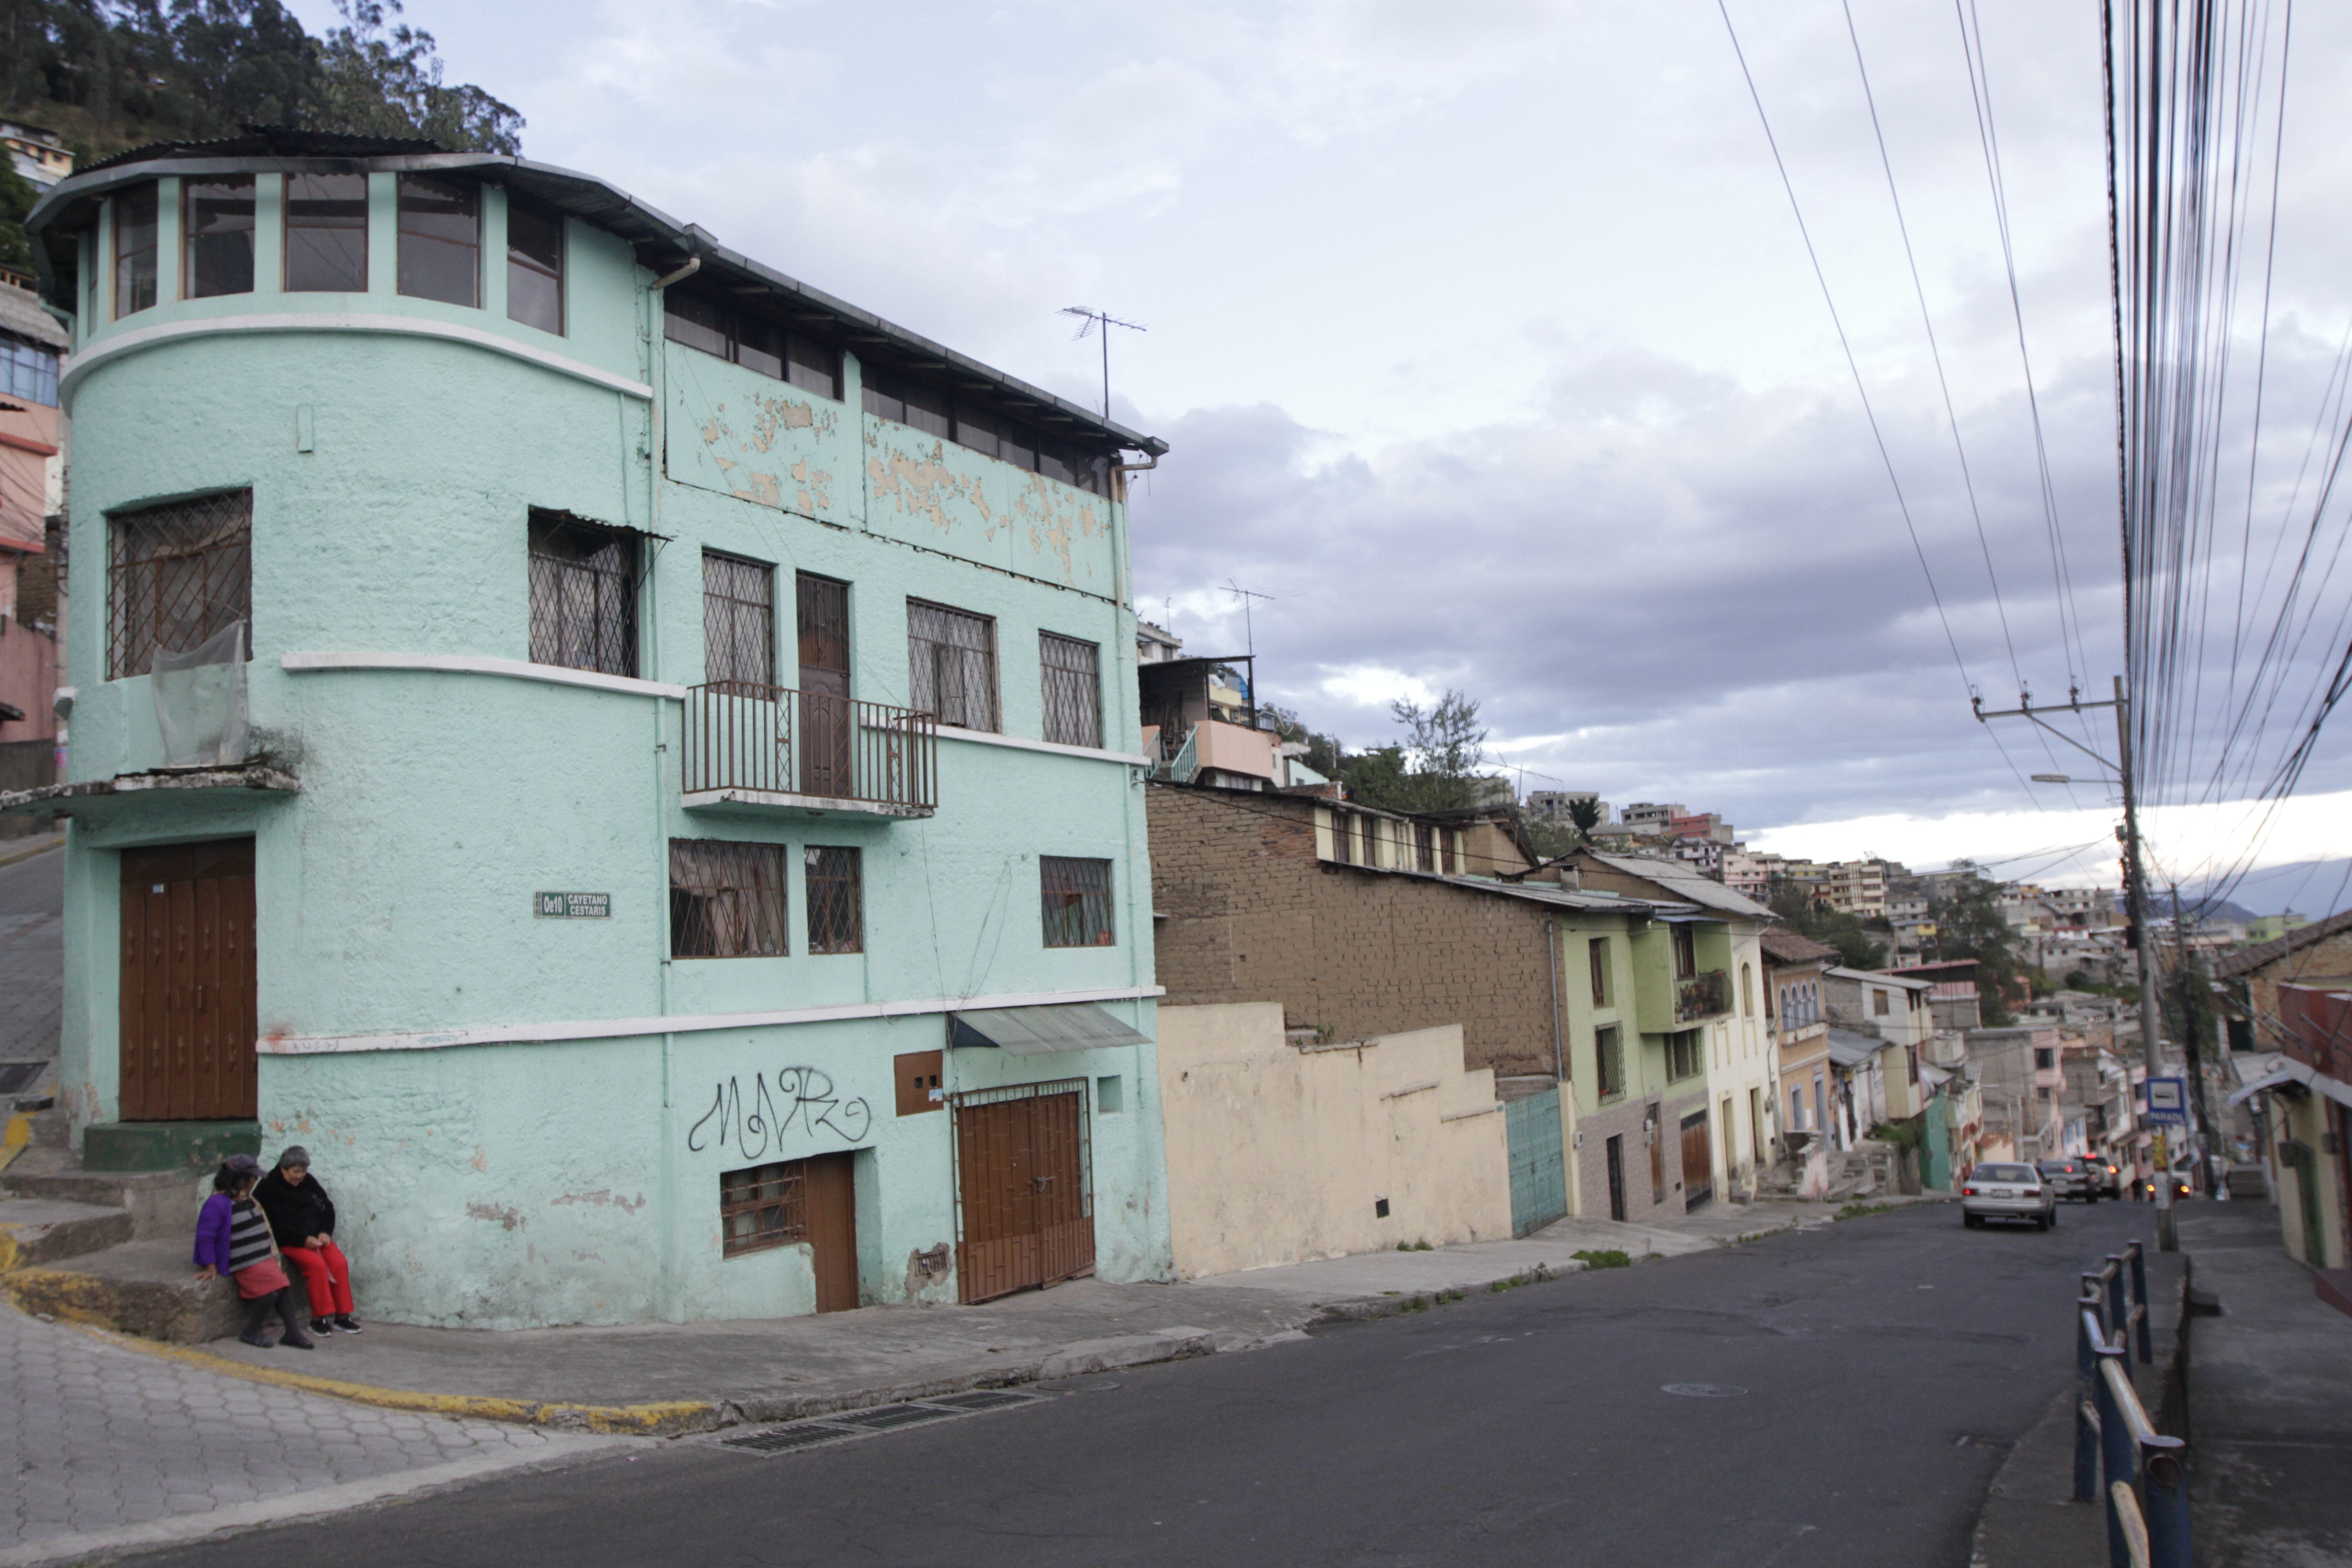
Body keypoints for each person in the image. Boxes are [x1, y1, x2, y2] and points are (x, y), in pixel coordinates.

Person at [194, 1154, 313, 1349]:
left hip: (262, 1258)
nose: (255, 1182)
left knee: (282, 1286)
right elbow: (206, 1237)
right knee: (274, 1287)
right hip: (244, 1261)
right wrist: (210, 1266)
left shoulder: (246, 1199)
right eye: (253, 1179)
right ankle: (251, 1331)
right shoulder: (217, 1204)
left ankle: (292, 1333)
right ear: (241, 1180)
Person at [254, 1146, 360, 1336]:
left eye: (303, 1171)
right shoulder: (268, 1187)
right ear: (283, 1169)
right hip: (290, 1241)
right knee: (316, 1265)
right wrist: (303, 1240)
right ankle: (318, 1318)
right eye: (296, 1172)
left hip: (316, 1237)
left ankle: (343, 1316)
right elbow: (273, 1225)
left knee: (339, 1263)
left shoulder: (308, 1182)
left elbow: (327, 1207)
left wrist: (326, 1232)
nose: (300, 1176)